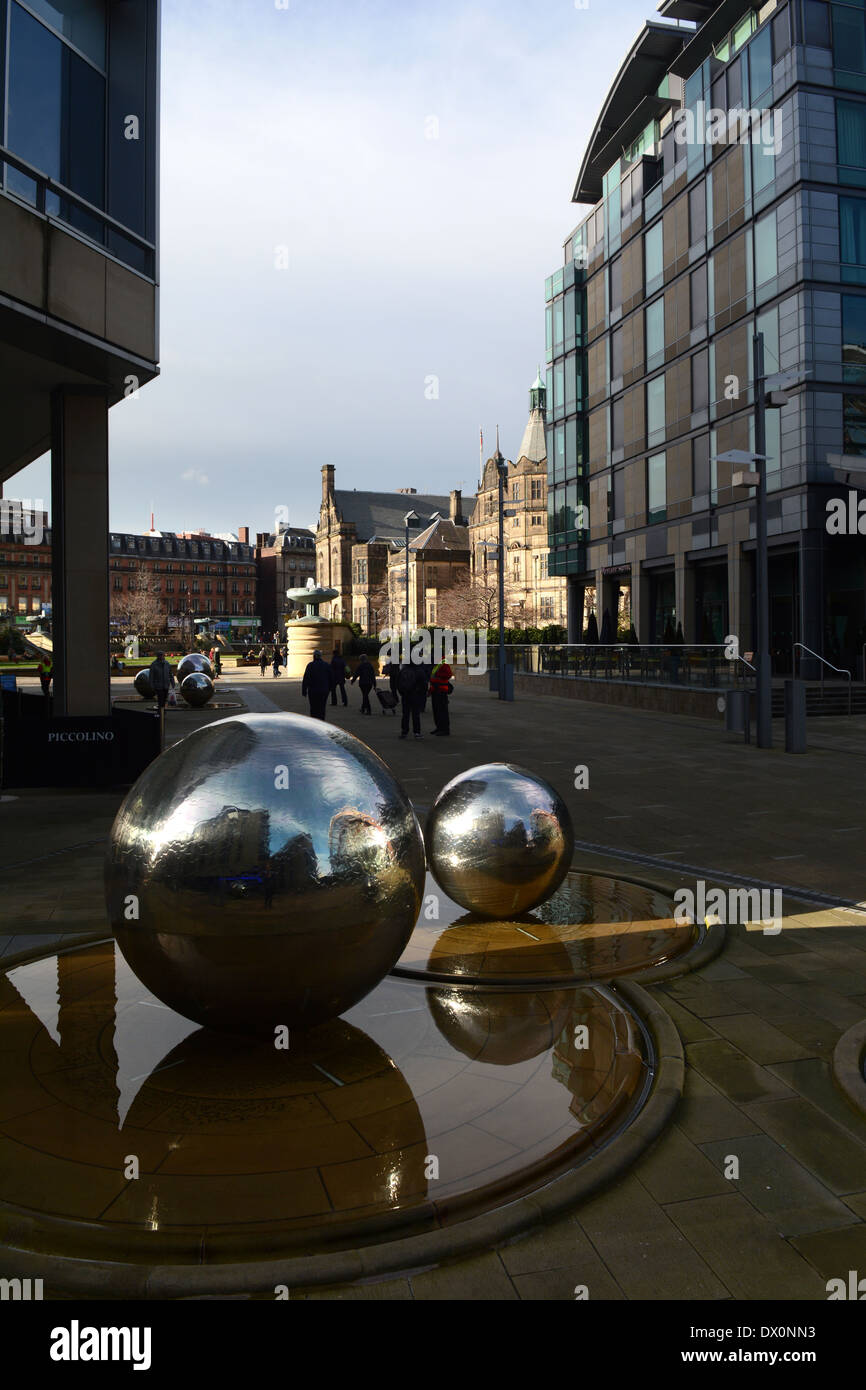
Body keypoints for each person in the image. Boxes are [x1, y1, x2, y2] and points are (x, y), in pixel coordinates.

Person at [397, 662, 424, 740]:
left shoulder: (403, 671)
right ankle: (417, 732)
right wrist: (421, 694)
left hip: (405, 695)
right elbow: (423, 684)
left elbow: (398, 683)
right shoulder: (419, 671)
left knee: (405, 714)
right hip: (415, 695)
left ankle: (404, 732)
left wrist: (402, 692)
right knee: (416, 714)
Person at [302, 649, 331, 720]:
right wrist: (329, 688)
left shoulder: (310, 665)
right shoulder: (326, 665)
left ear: (314, 656)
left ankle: (314, 721)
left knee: (313, 708)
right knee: (322, 707)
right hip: (324, 690)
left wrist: (304, 690)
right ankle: (321, 721)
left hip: (313, 690)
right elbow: (331, 678)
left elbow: (306, 678)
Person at [429, 658, 453, 735]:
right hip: (435, 689)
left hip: (441, 690)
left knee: (442, 711)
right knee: (436, 710)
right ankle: (439, 727)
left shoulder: (443, 663)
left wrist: (438, 675)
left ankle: (444, 729)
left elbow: (449, 674)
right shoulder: (437, 663)